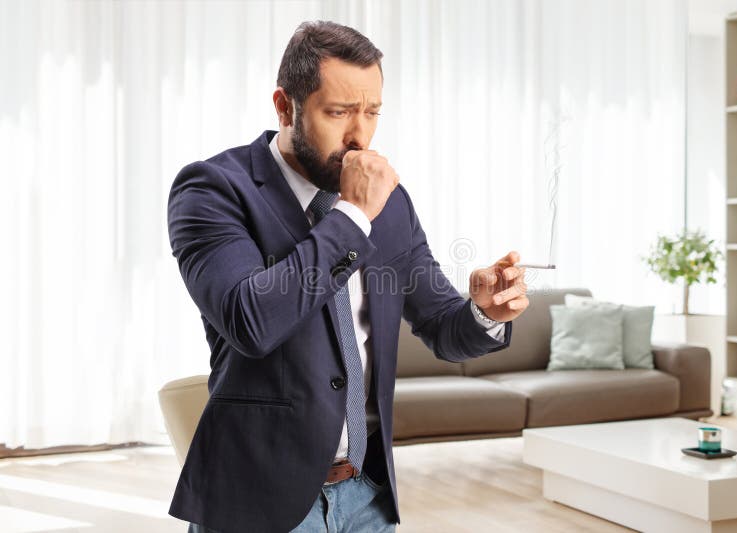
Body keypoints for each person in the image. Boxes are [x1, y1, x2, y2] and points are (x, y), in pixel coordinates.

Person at [166, 20, 529, 533]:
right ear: (285, 106)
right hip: (259, 500)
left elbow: (442, 327)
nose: (360, 135)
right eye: (338, 112)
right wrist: (352, 216)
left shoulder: (390, 202)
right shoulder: (213, 189)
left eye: (372, 112)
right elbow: (251, 321)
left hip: (367, 497)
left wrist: (483, 312)